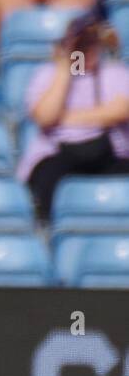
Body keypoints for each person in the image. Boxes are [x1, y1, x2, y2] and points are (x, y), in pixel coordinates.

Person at [18, 12, 129, 221]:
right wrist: (65, 70)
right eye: (81, 45)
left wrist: (66, 118)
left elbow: (120, 110)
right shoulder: (47, 74)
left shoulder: (115, 73)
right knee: (48, 176)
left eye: (91, 44)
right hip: (59, 153)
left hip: (108, 153)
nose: (87, 50)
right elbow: (45, 116)